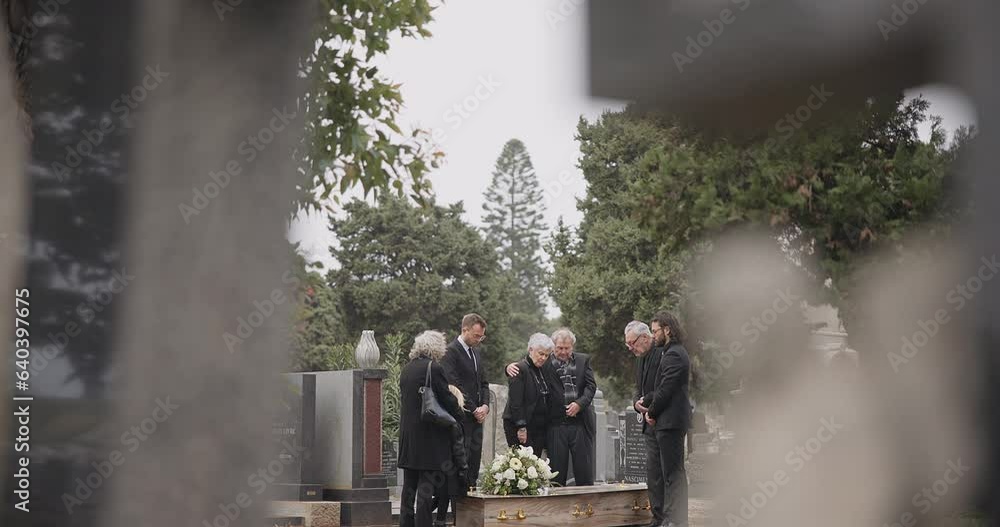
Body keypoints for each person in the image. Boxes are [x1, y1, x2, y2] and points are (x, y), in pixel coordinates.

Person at [398, 330, 465, 527]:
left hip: (408, 436)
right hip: (429, 438)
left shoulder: (407, 369)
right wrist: (460, 414)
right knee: (425, 489)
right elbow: (446, 398)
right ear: (436, 348)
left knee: (409, 487)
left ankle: (405, 524)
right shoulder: (433, 368)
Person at [645, 313, 692, 527]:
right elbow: (662, 387)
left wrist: (651, 412)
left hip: (671, 422)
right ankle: (672, 518)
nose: (653, 335)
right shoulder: (670, 352)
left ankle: (676, 520)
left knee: (674, 474)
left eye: (655, 331)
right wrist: (646, 400)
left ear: (667, 330)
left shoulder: (674, 354)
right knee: (670, 473)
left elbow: (666, 389)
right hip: (668, 421)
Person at [441, 313, 490, 487]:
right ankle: (459, 500)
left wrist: (485, 406)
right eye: (476, 336)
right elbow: (455, 385)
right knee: (461, 462)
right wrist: (474, 409)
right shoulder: (450, 352)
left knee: (474, 463)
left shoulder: (476, 352)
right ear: (465, 330)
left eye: (481, 336)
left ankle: (472, 494)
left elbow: (483, 383)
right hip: (461, 417)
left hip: (478, 418)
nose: (479, 340)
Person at [545, 328, 597, 487]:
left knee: (584, 471)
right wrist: (508, 367)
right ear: (553, 346)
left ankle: (586, 502)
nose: (563, 352)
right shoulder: (545, 362)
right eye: (559, 348)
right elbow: (527, 365)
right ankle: (558, 502)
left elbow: (590, 387)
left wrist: (579, 404)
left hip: (580, 423)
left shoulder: (583, 360)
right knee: (556, 473)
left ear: (572, 346)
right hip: (556, 424)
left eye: (567, 348)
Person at [627, 320, 666, 527]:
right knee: (653, 473)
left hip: (664, 419)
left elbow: (665, 386)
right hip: (648, 422)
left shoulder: (663, 353)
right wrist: (636, 403)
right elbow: (638, 386)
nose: (630, 348)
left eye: (632, 343)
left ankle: (670, 517)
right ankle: (657, 517)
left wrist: (650, 405)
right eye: (627, 344)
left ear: (644, 337)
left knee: (668, 473)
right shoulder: (640, 358)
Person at [502, 333, 557, 454]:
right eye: (541, 353)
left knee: (535, 463)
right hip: (520, 426)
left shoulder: (542, 369)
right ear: (531, 350)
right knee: (522, 462)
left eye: (546, 355)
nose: (543, 358)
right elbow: (516, 402)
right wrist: (521, 427)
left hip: (538, 427)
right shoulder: (519, 369)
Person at [432, 385, 470, 527]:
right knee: (455, 497)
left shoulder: (437, 419)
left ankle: (439, 522)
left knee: (442, 497)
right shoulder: (455, 422)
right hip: (453, 467)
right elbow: (458, 448)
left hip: (439, 465)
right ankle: (457, 522)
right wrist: (463, 468)